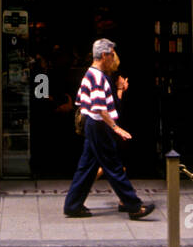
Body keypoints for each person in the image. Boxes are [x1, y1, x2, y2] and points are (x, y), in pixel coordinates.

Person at [63, 38, 155, 220]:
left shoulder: (89, 74)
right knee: (113, 167)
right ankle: (134, 206)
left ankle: (72, 205)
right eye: (112, 55)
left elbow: (80, 101)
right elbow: (99, 107)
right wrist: (116, 128)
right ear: (104, 55)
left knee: (86, 168)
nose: (114, 59)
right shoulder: (98, 77)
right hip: (99, 126)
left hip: (93, 125)